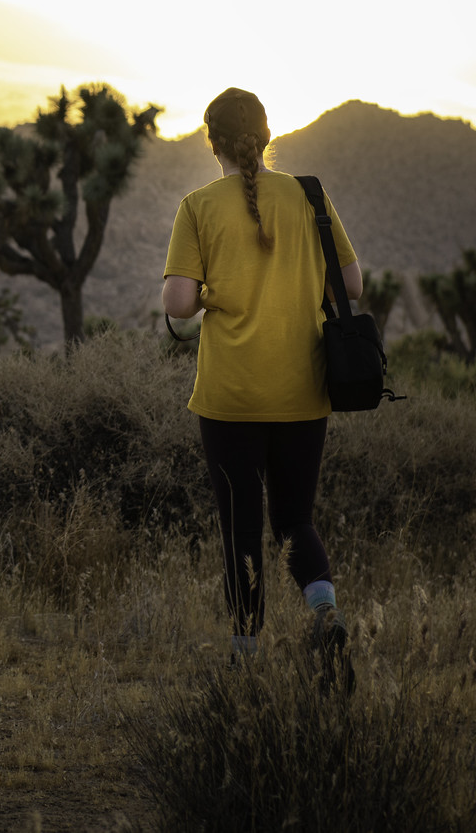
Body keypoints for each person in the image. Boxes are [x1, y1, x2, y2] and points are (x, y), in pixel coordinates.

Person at [161, 87, 361, 670]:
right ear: (268, 136)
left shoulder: (198, 205)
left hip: (230, 398)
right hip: (304, 391)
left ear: (212, 141)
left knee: (240, 526)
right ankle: (325, 613)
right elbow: (351, 286)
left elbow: (178, 303)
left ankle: (245, 657)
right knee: (295, 519)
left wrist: (212, 289)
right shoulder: (309, 196)